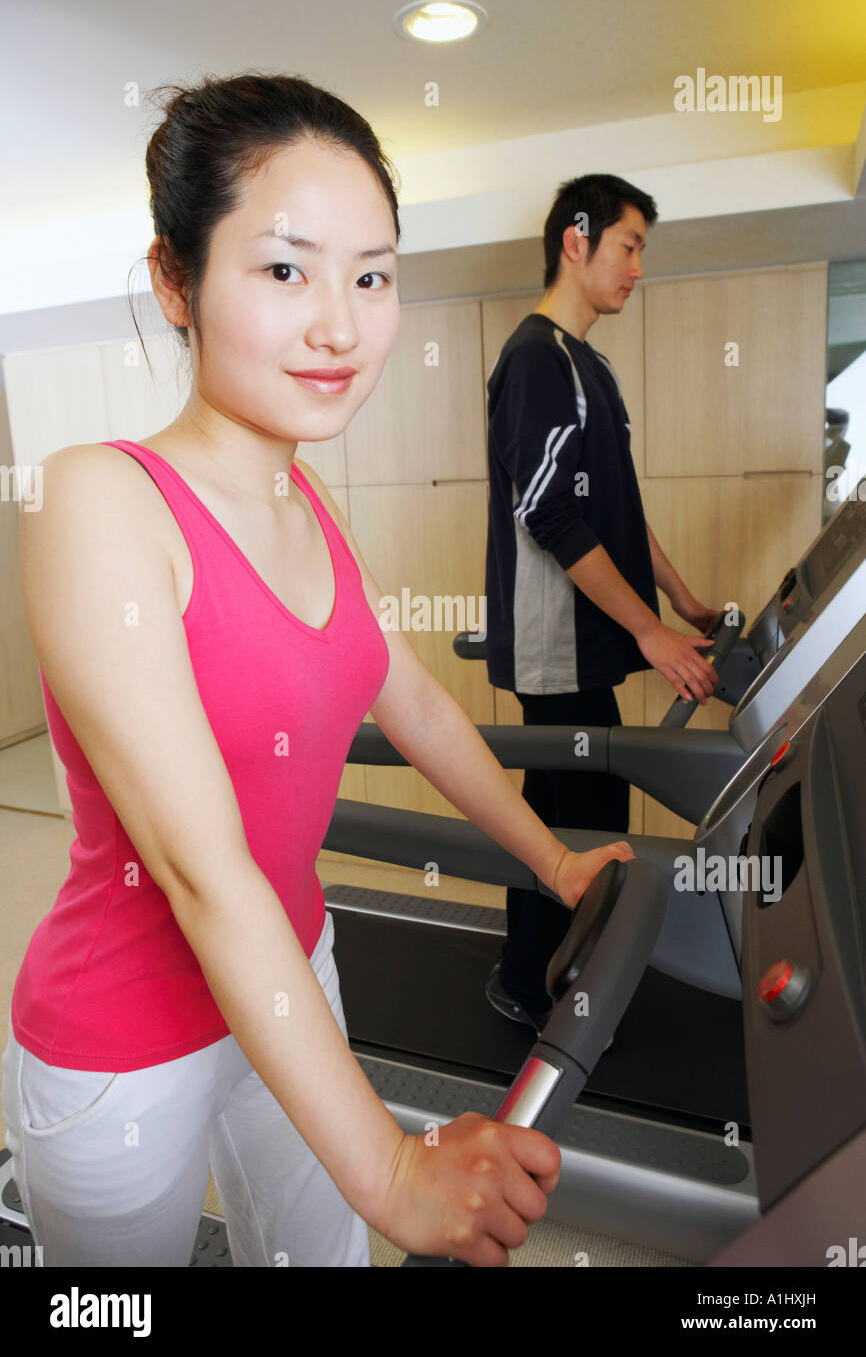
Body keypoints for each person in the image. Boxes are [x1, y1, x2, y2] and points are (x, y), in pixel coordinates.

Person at [1, 73, 634, 1270]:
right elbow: (200, 871)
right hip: (124, 1038)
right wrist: (390, 1164)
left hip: (297, 975)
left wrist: (551, 859)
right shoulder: (98, 498)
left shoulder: (308, 503)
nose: (341, 324)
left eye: (372, 274)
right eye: (286, 269)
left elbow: (419, 707)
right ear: (175, 281)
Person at [483, 173, 719, 1033]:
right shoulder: (536, 358)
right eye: (629, 245)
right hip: (557, 646)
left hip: (591, 643)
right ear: (576, 240)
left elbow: (618, 514)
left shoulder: (593, 368)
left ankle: (535, 976)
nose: (637, 268)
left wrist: (682, 601)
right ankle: (537, 983)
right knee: (577, 825)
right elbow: (548, 513)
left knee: (570, 816)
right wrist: (648, 631)